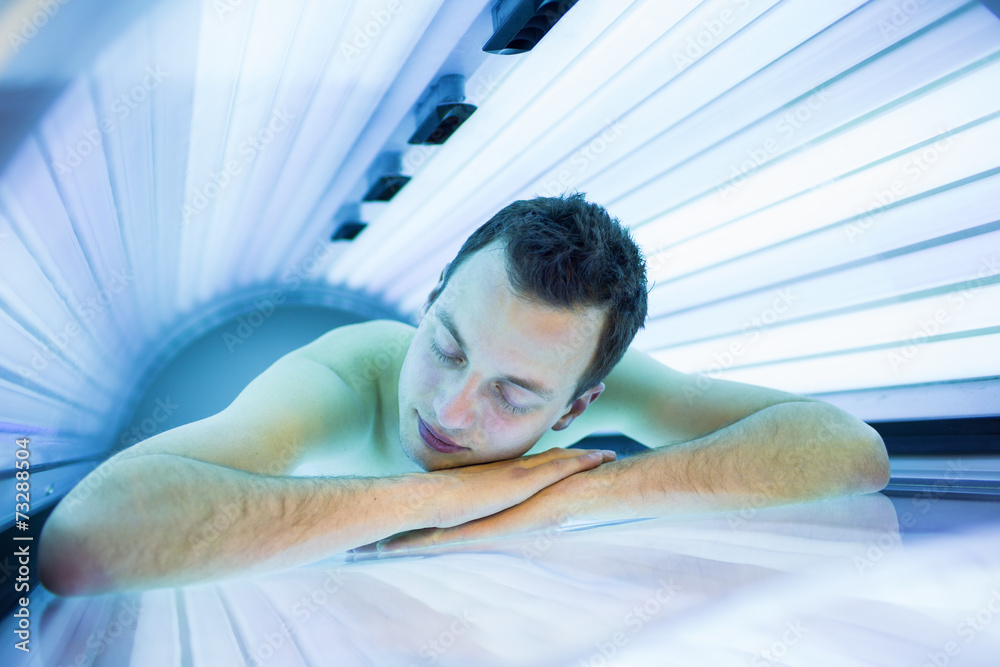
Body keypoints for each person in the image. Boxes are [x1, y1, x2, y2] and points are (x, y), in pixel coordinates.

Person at [38, 193, 890, 596]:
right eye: (445, 346)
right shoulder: (341, 374)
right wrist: (452, 495)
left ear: (576, 409)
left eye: (515, 396)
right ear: (431, 298)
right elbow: (83, 540)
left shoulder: (596, 387)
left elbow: (848, 447)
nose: (450, 409)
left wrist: (570, 497)